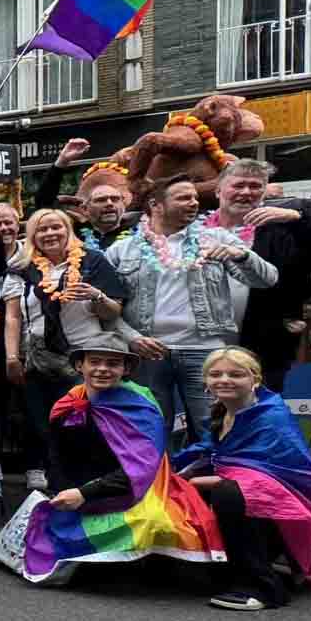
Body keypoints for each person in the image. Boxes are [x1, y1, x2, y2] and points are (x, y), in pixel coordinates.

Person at [0, 335, 224, 587]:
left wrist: (84, 493)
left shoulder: (140, 407)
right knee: (45, 531)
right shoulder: (69, 401)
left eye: (112, 363)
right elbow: (57, 457)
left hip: (134, 492)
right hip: (84, 490)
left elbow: (139, 472)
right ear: (80, 366)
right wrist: (60, 492)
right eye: (95, 361)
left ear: (126, 369)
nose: (102, 369)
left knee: (147, 526)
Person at [107, 174, 277, 441]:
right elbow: (106, 309)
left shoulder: (216, 238)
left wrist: (242, 255)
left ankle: (212, 481)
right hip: (148, 352)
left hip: (205, 351)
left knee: (212, 427)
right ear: (156, 204)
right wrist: (133, 338)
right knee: (150, 429)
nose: (194, 203)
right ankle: (158, 483)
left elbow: (267, 279)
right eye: (184, 197)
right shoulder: (122, 250)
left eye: (195, 197)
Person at [175, 347, 311, 611]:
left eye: (235, 374)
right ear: (206, 381)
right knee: (179, 486)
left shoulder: (271, 416)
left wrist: (204, 481)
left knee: (230, 492)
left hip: (288, 510)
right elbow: (212, 451)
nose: (224, 380)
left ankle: (264, 587)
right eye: (215, 374)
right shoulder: (223, 411)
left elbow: (266, 475)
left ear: (255, 379)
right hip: (258, 499)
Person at [2, 208, 127, 491]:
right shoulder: (21, 267)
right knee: (42, 420)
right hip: (38, 356)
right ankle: (53, 480)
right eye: (42, 229)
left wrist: (97, 295)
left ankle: (86, 482)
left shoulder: (92, 261)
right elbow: (12, 316)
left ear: (68, 230)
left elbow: (113, 311)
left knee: (81, 420)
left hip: (83, 355)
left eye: (56, 227)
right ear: (33, 236)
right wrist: (12, 356)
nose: (50, 234)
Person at [202, 159, 311, 390]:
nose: (246, 192)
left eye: (256, 186)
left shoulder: (280, 227)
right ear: (218, 190)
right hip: (201, 340)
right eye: (238, 185)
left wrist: (297, 218)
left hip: (265, 340)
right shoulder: (196, 229)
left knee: (260, 407)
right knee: (205, 413)